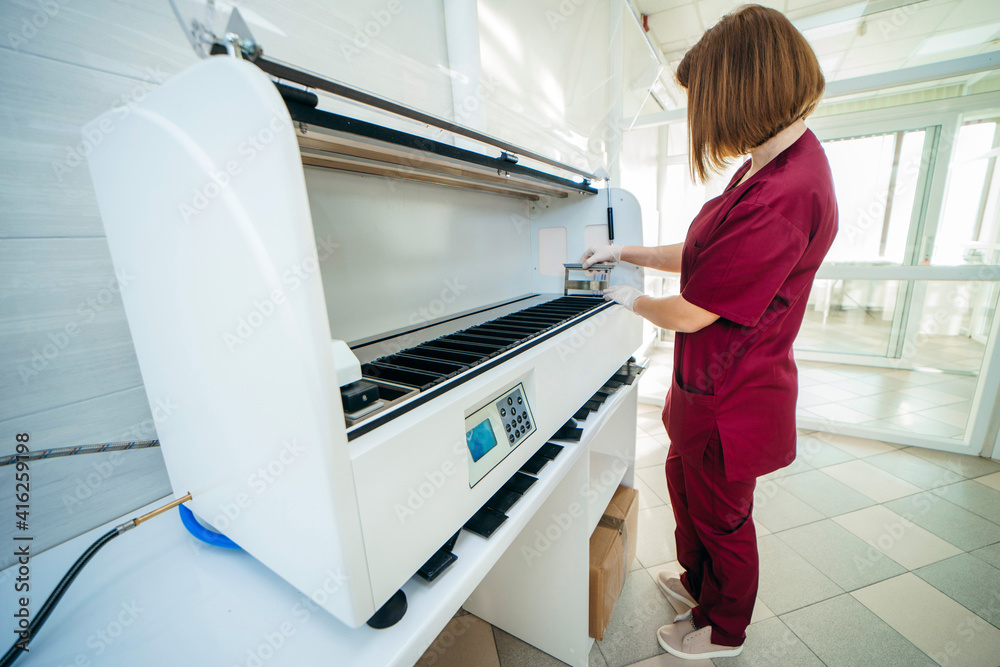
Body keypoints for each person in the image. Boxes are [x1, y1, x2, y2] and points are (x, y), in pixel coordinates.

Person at [581, 4, 838, 660]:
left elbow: (694, 309)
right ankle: (701, 587)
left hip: (733, 401)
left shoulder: (788, 192)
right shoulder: (764, 163)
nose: (705, 122)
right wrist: (629, 255)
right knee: (683, 487)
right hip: (702, 390)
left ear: (741, 93)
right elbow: (703, 252)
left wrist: (626, 298)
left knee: (724, 517)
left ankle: (725, 625)